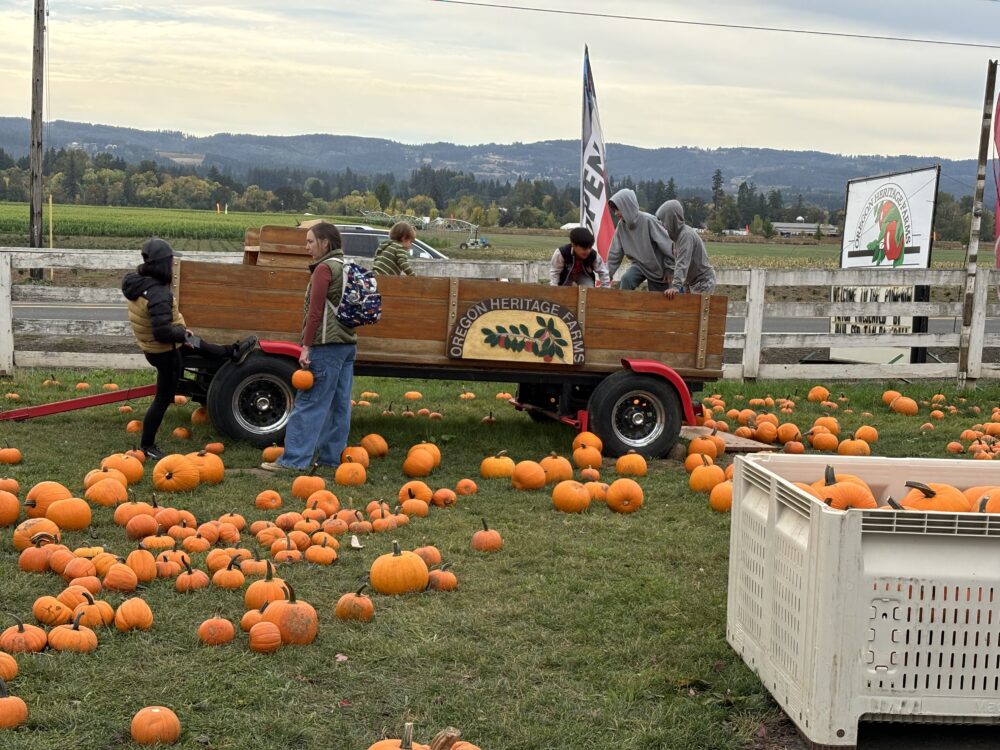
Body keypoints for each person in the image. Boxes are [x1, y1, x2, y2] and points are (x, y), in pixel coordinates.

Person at [122, 238, 257, 461]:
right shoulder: (158, 294)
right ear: (163, 264)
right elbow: (162, 331)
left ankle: (232, 351)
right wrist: (181, 334)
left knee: (200, 346)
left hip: (155, 347)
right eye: (171, 260)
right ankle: (147, 445)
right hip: (164, 350)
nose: (173, 263)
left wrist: (183, 336)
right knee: (162, 398)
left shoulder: (138, 284)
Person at [261, 221, 356, 473]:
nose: (307, 247)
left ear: (325, 243)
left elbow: (315, 313)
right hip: (347, 345)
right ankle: (330, 458)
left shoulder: (324, 269)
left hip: (326, 345)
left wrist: (306, 346)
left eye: (311, 241)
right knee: (340, 404)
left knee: (309, 403)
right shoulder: (346, 266)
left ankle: (294, 460)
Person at [605, 188, 675, 292]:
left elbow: (668, 245)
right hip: (639, 266)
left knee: (657, 302)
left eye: (618, 209)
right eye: (614, 210)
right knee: (626, 280)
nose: (615, 213)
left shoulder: (649, 221)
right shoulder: (621, 226)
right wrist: (607, 276)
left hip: (658, 268)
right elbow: (615, 253)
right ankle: (624, 306)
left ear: (627, 207)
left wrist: (670, 269)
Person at [655, 199, 716, 299]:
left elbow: (683, 262)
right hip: (692, 282)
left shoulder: (685, 236)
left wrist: (676, 286)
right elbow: (676, 261)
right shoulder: (676, 238)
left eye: (663, 220)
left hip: (703, 282)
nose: (662, 225)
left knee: (699, 313)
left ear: (671, 219)